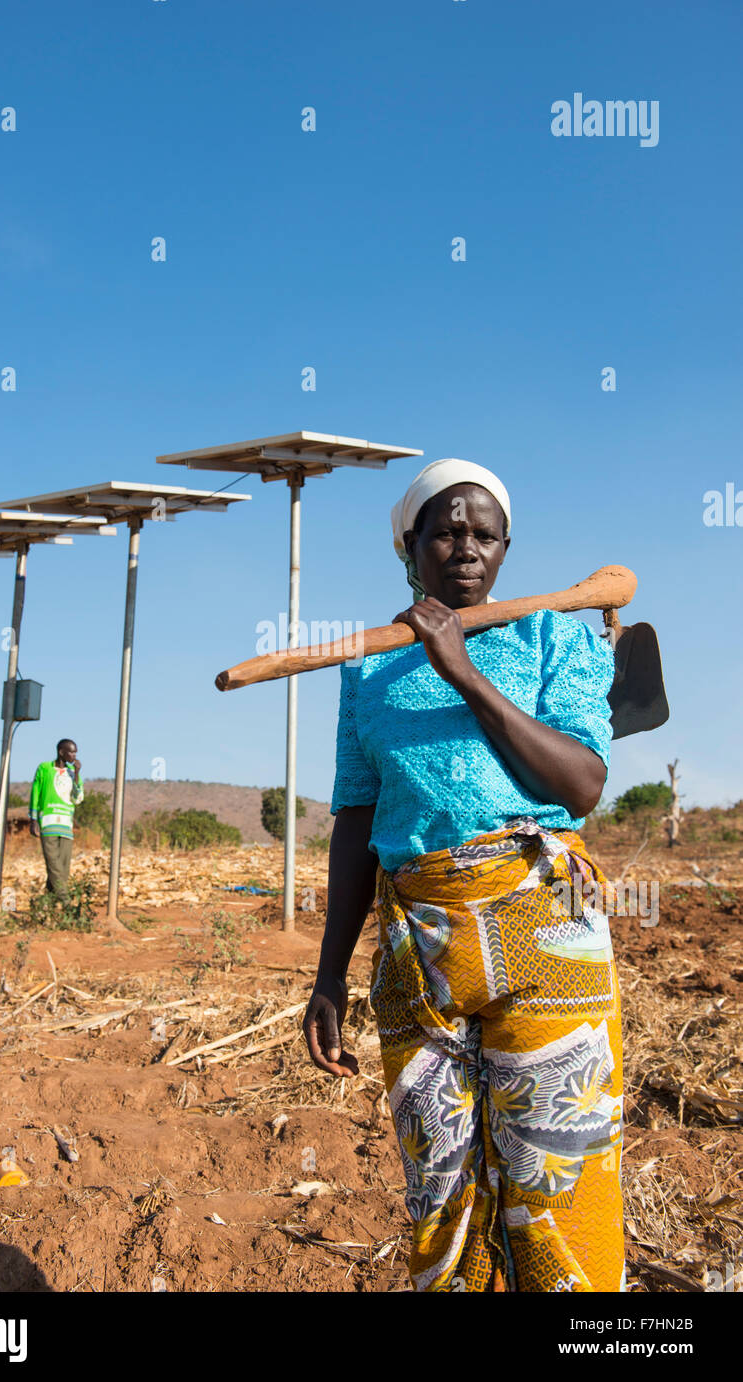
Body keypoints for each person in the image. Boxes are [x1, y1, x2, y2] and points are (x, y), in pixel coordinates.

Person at [302, 458, 624, 1293]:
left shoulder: (557, 635)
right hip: (418, 942)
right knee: (440, 1189)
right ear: (408, 548)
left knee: (558, 1176)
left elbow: (580, 784)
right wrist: (329, 973)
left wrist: (464, 672)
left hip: (542, 924)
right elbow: (356, 821)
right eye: (445, 531)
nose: (466, 549)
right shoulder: (367, 668)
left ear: (506, 547)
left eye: (484, 534)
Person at [29, 739, 84, 903]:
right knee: (54, 865)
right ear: (61, 752)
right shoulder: (44, 768)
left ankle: (46, 905)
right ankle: (66, 903)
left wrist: (77, 774)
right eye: (71, 752)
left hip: (66, 825)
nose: (74, 756)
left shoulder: (73, 773)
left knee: (63, 869)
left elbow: (77, 798)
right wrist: (33, 819)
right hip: (48, 822)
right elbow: (35, 792)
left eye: (75, 753)